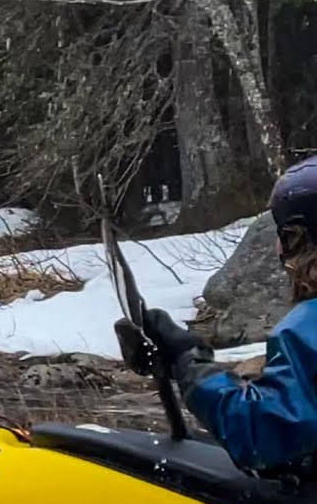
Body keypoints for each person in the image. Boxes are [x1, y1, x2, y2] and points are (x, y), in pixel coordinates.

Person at [118, 156, 317, 477]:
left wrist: (190, 364)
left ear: (300, 239)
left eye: (285, 233)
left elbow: (263, 436)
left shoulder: (308, 328)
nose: (278, 249)